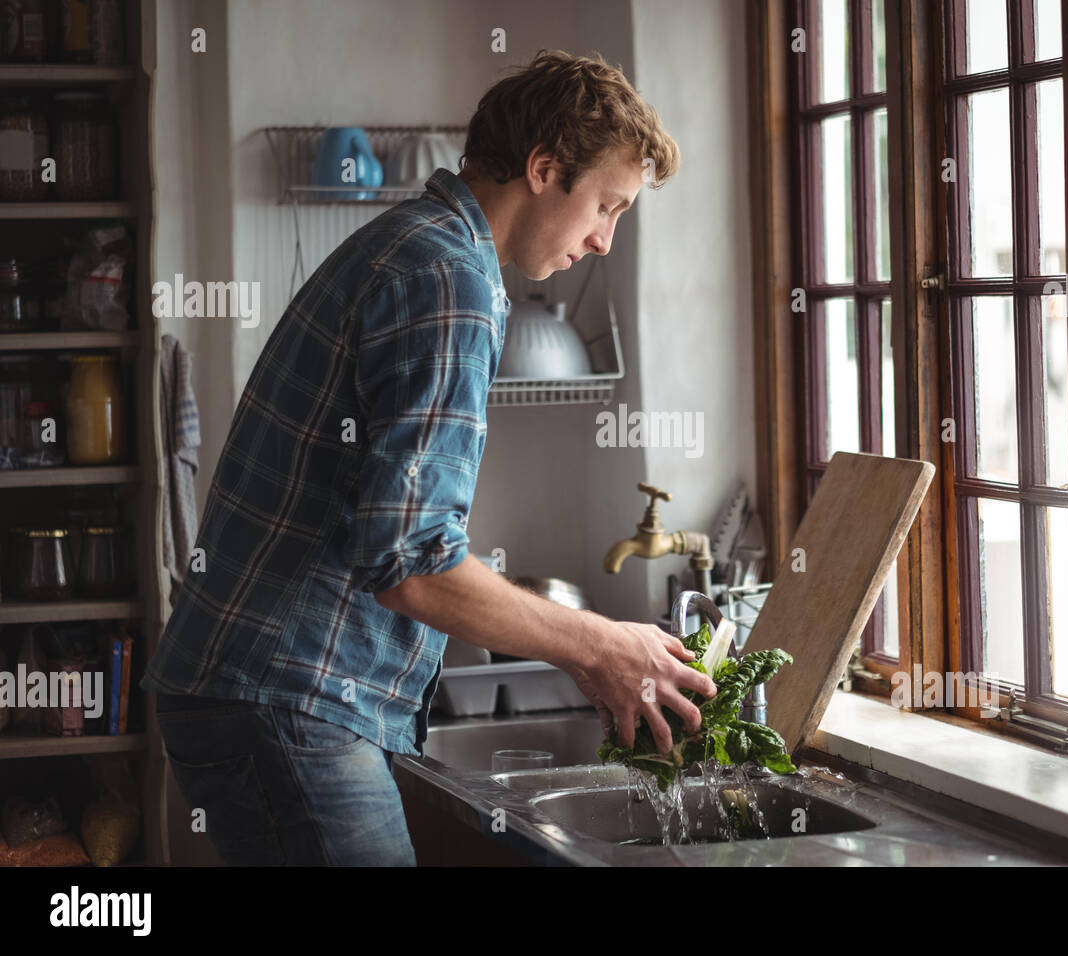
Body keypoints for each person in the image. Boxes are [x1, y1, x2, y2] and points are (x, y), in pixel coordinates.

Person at [141, 50, 712, 866]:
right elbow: (411, 565)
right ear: (544, 168)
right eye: (607, 207)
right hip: (291, 695)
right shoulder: (449, 277)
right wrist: (598, 645)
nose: (603, 240)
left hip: (261, 691)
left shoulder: (415, 247)